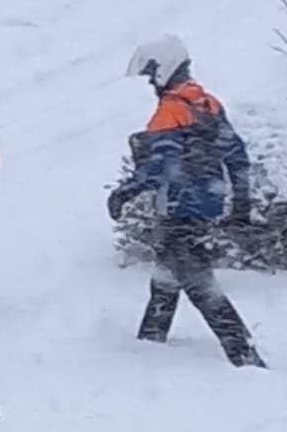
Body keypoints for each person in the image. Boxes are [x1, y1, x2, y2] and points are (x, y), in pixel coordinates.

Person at [107, 34, 267, 368]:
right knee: (166, 276)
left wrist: (125, 192)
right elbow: (236, 156)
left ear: (165, 68)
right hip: (205, 205)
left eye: (152, 72)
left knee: (199, 284)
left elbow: (159, 166)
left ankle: (244, 355)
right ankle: (151, 339)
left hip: (178, 207)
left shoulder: (171, 111)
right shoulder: (208, 105)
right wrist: (240, 204)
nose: (150, 80)